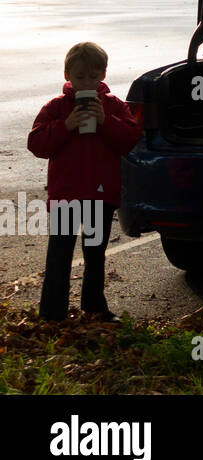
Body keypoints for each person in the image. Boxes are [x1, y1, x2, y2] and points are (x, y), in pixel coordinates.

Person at [28, 42, 142, 322]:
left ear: (103, 75)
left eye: (93, 76)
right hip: (67, 194)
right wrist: (65, 125)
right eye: (80, 77)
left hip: (99, 194)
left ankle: (94, 307)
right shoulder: (56, 107)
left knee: (95, 254)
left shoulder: (113, 106)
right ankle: (52, 313)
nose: (87, 82)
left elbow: (129, 140)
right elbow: (37, 144)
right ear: (68, 76)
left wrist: (105, 121)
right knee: (60, 253)